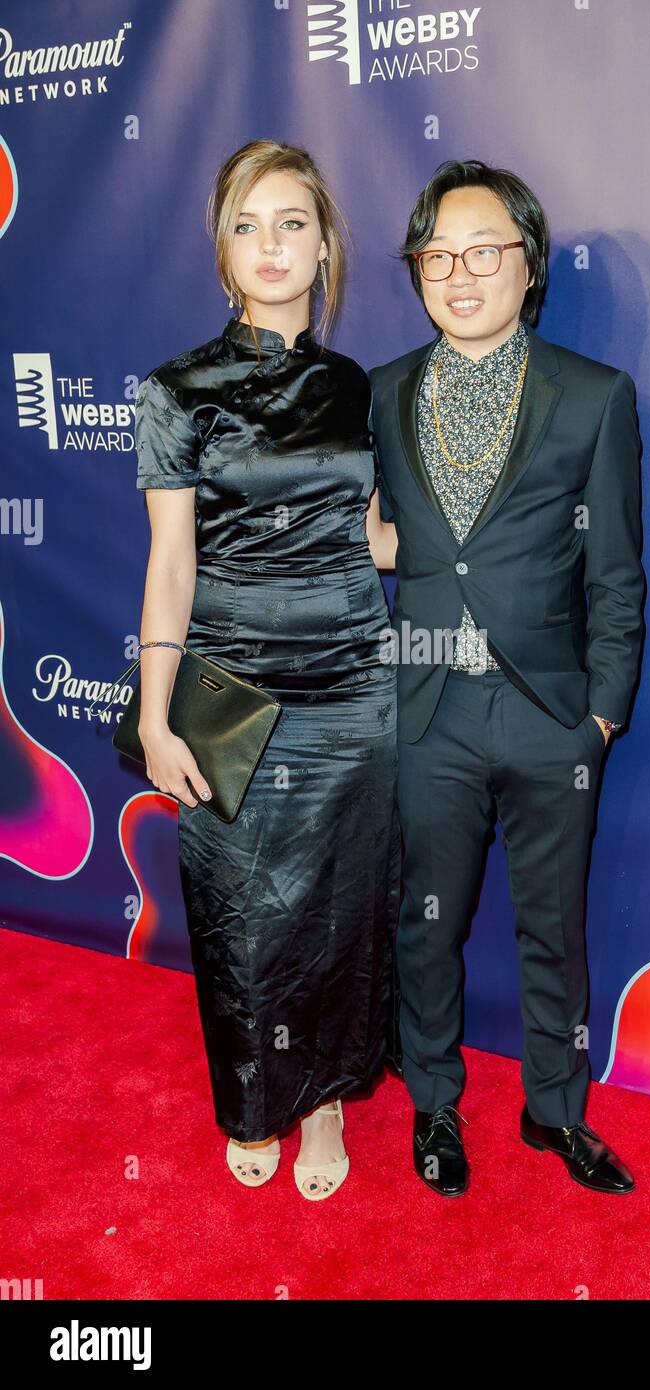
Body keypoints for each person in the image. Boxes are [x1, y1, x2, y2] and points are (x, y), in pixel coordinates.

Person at [368, 159, 646, 1197]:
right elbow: (379, 540)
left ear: (528, 264)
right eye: (435, 255)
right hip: (427, 708)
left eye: (481, 250)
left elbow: (616, 573)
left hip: (549, 716)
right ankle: (433, 1105)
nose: (457, 272)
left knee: (552, 926)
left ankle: (553, 1110)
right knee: (425, 923)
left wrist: (600, 717)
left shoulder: (592, 397)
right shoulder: (382, 392)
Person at [132, 140, 400, 1201]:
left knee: (337, 907)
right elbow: (169, 564)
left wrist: (488, 529)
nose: (270, 244)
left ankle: (324, 1098)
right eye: (246, 225)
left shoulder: (355, 389)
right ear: (222, 252)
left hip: (349, 683)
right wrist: (158, 718)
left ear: (325, 242)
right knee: (238, 911)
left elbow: (374, 540)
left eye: (291, 221)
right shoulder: (178, 389)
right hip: (229, 689)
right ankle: (256, 1103)